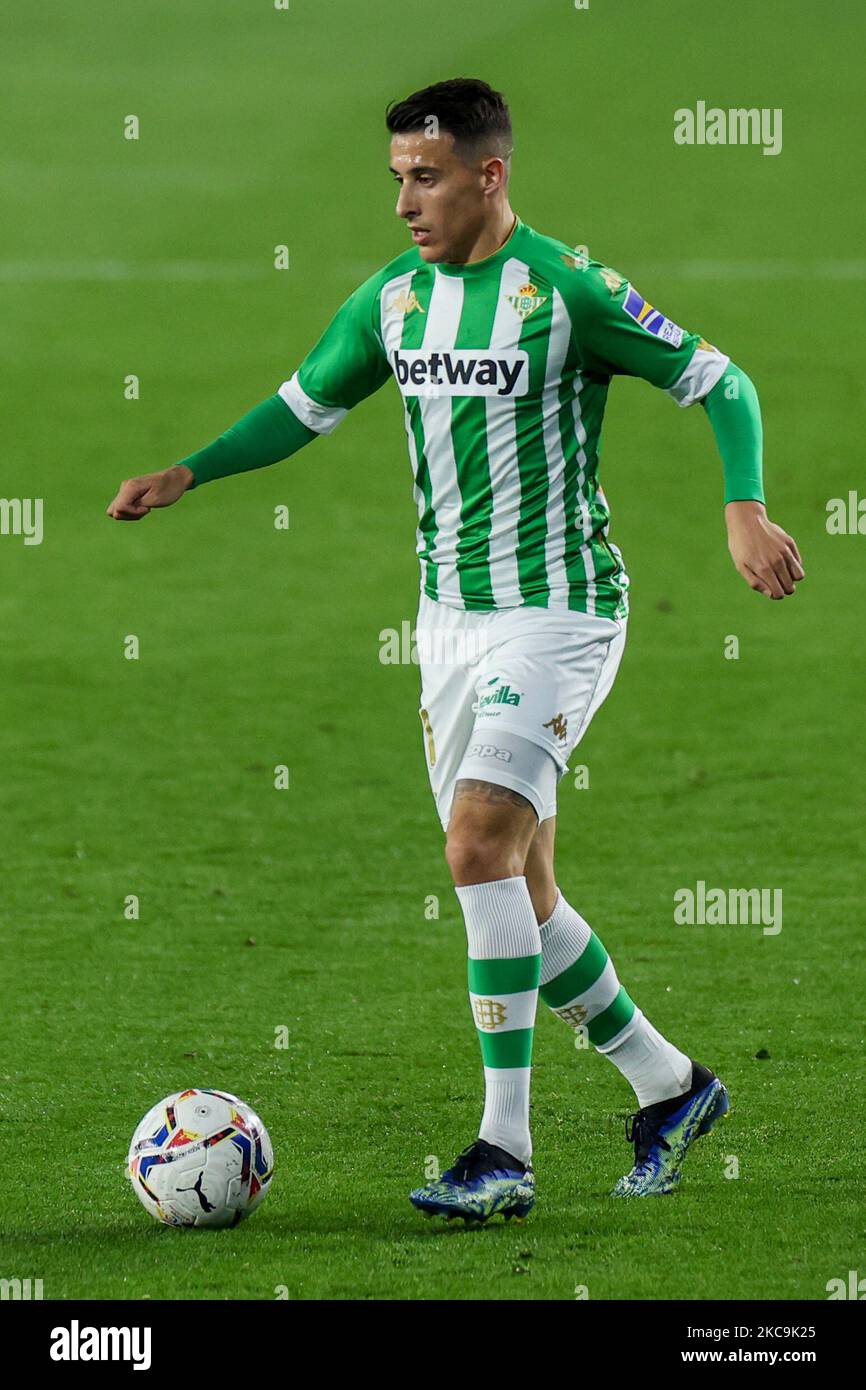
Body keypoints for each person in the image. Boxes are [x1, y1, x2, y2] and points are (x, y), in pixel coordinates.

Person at [107, 78, 804, 1224]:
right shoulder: (393, 301)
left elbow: (720, 380)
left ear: (489, 174)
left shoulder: (566, 291)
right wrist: (193, 470)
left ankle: (503, 1149)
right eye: (394, 179)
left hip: (559, 611)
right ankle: (669, 1087)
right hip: (447, 625)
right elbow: (304, 402)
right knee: (522, 888)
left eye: (424, 177)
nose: (403, 204)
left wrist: (742, 507)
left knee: (477, 845)